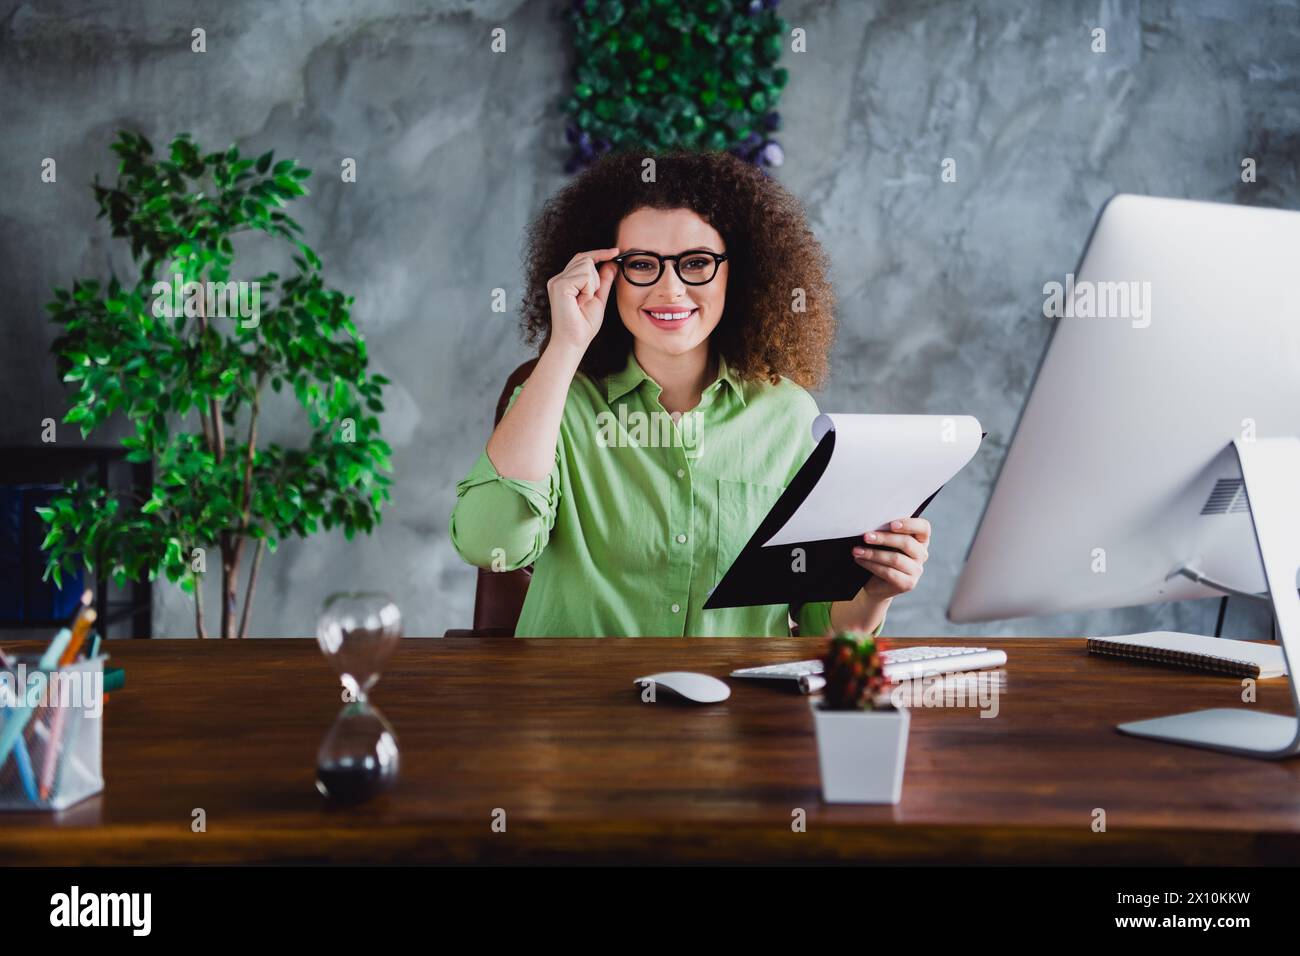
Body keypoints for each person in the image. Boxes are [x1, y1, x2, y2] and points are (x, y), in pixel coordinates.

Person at [450, 150, 930, 637]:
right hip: (578, 705)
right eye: (641, 264)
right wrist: (566, 342)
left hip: (735, 704)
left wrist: (873, 593)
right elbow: (490, 542)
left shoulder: (788, 415)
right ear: (604, 274)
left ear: (735, 272)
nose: (671, 289)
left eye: (696, 263)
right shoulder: (557, 400)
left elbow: (819, 627)